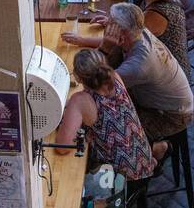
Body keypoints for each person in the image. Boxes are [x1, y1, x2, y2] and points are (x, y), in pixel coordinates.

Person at [101, 3, 194, 156]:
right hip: (163, 102)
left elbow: (102, 85)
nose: (108, 27)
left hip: (170, 116)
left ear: (122, 33)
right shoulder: (139, 32)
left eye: (111, 24)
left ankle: (157, 150)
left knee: (109, 129)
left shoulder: (138, 65)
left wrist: (104, 48)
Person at [53, 48, 158, 180]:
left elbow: (63, 147)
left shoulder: (80, 101)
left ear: (78, 77)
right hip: (143, 162)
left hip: (119, 180)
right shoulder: (115, 78)